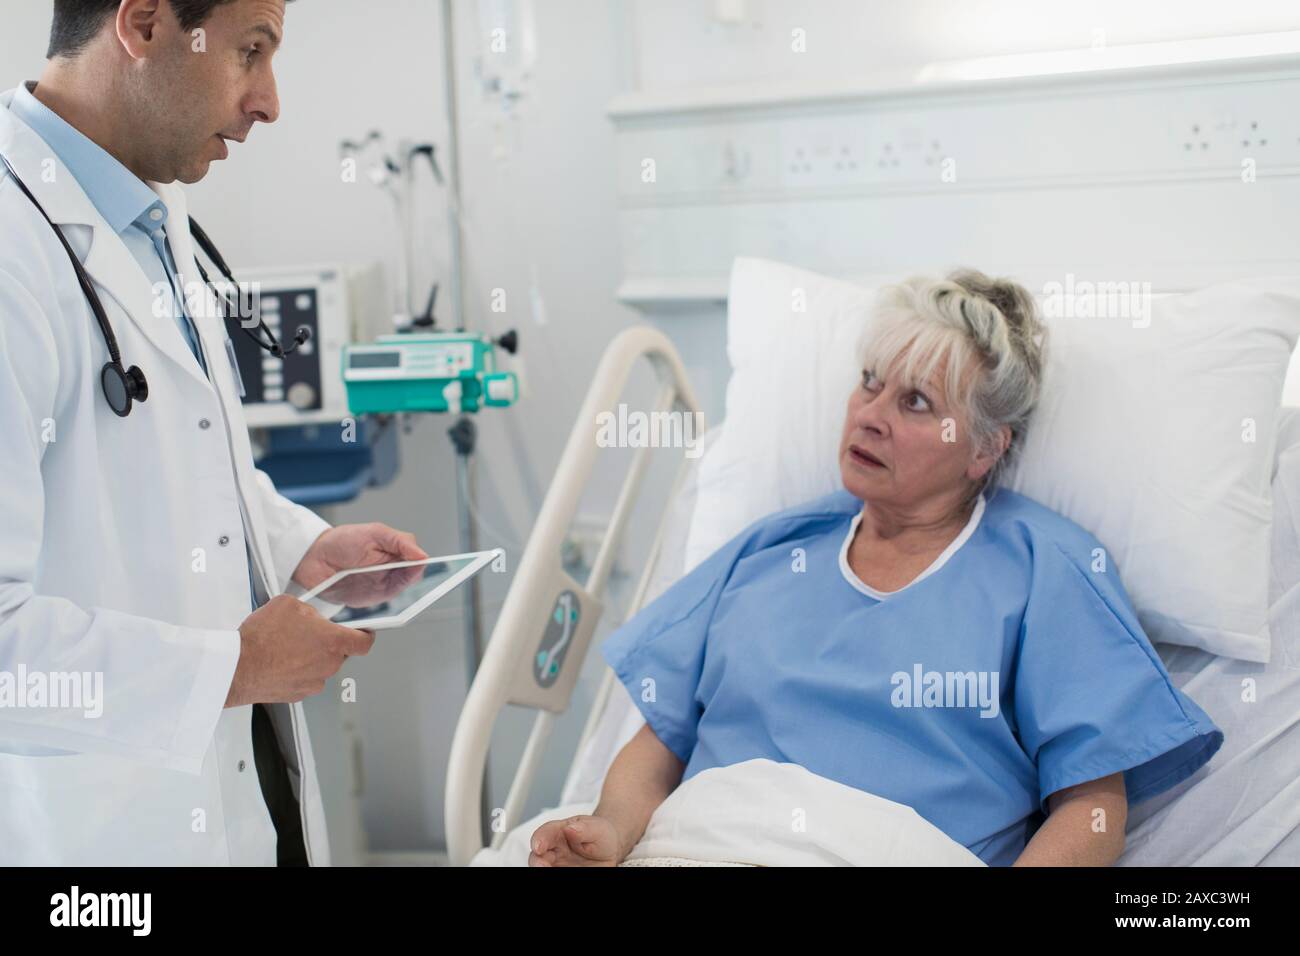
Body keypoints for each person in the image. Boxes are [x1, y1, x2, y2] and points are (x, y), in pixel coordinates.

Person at [529, 270, 1224, 867]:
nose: (870, 415)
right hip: (697, 845)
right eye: (869, 383)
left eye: (915, 402)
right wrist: (610, 831)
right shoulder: (772, 549)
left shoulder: (1045, 569)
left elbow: (1092, 807)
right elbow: (660, 743)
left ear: (985, 448)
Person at [0, 0, 425, 865]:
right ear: (143, 25)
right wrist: (230, 668)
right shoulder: (15, 252)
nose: (269, 101)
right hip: (99, 844)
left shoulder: (153, 212)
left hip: (241, 786)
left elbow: (186, 460)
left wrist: (302, 545)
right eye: (250, 51)